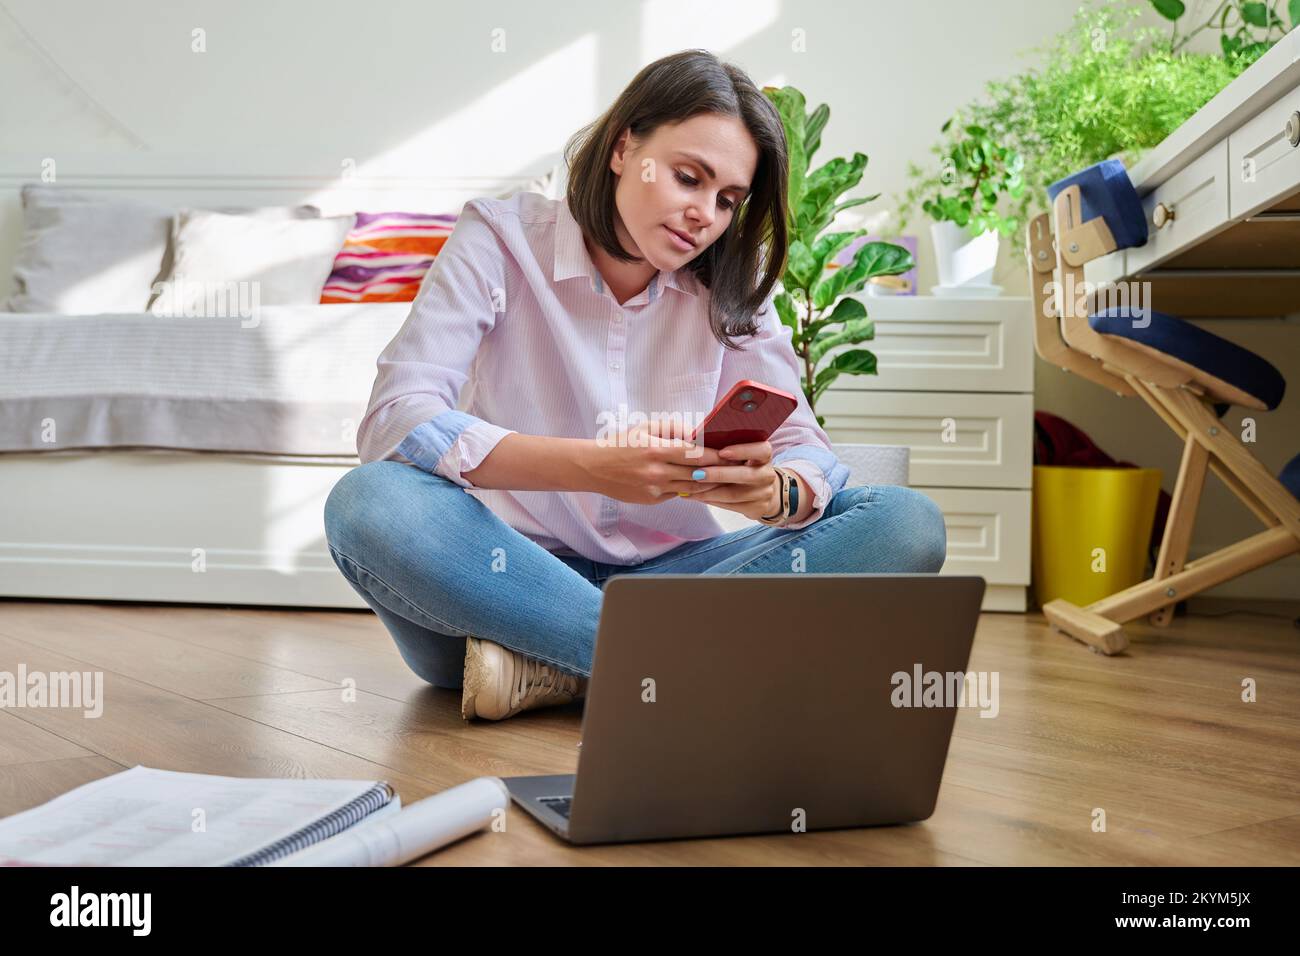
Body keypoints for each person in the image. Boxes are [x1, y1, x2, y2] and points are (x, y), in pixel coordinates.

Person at [324, 49, 947, 723]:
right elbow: (398, 415)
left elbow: (800, 440)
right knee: (370, 503)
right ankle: (670, 668)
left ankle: (562, 669)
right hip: (502, 582)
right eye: (688, 178)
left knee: (907, 524)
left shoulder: (731, 278)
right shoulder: (500, 240)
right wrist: (595, 469)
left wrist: (777, 491)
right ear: (625, 147)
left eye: (727, 200)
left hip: (675, 582)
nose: (704, 215)